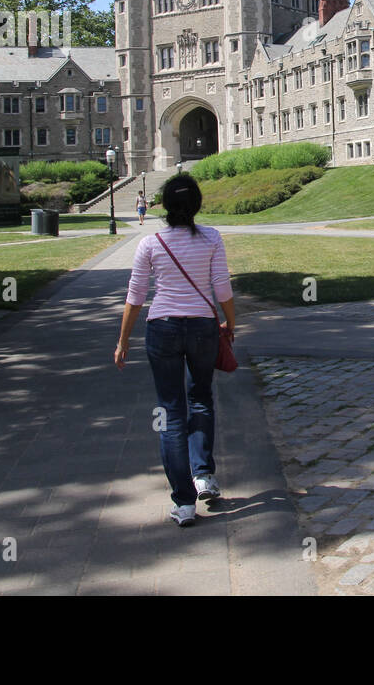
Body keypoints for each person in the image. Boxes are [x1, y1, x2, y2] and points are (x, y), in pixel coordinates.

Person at [115, 174, 236, 527]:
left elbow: (135, 297)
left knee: (170, 412)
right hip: (201, 326)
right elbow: (221, 286)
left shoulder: (150, 243)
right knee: (201, 398)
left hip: (163, 326)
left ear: (164, 207)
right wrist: (231, 322)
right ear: (197, 205)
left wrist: (122, 341)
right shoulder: (212, 238)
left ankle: (184, 502)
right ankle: (203, 475)